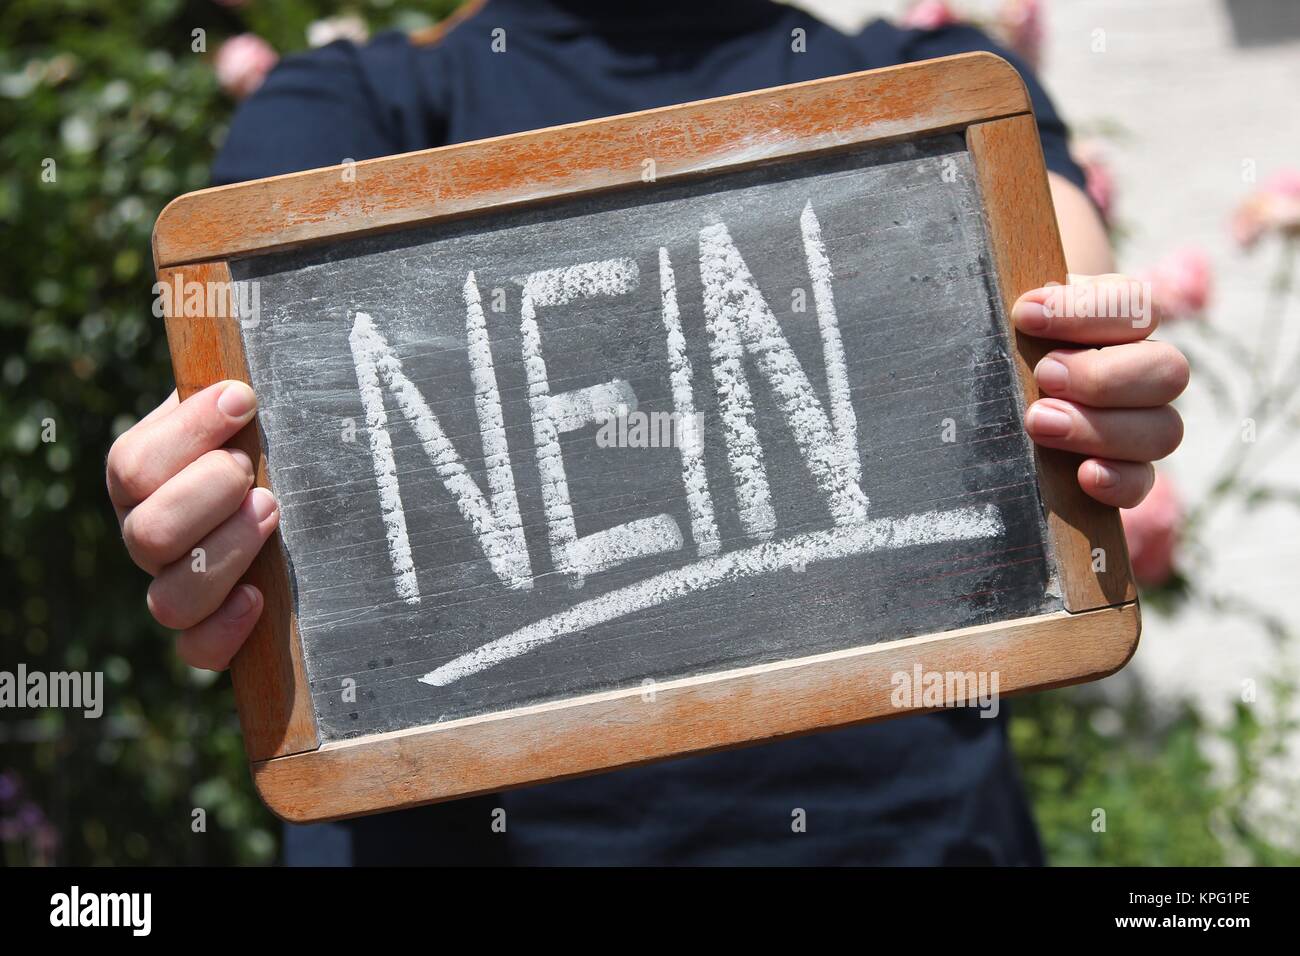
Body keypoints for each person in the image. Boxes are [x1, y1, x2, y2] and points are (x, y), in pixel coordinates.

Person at [106, 0, 1188, 865]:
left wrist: (1092, 368)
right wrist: (203, 508)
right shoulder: (346, 110)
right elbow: (256, 390)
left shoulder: (936, 81)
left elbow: (1061, 262)